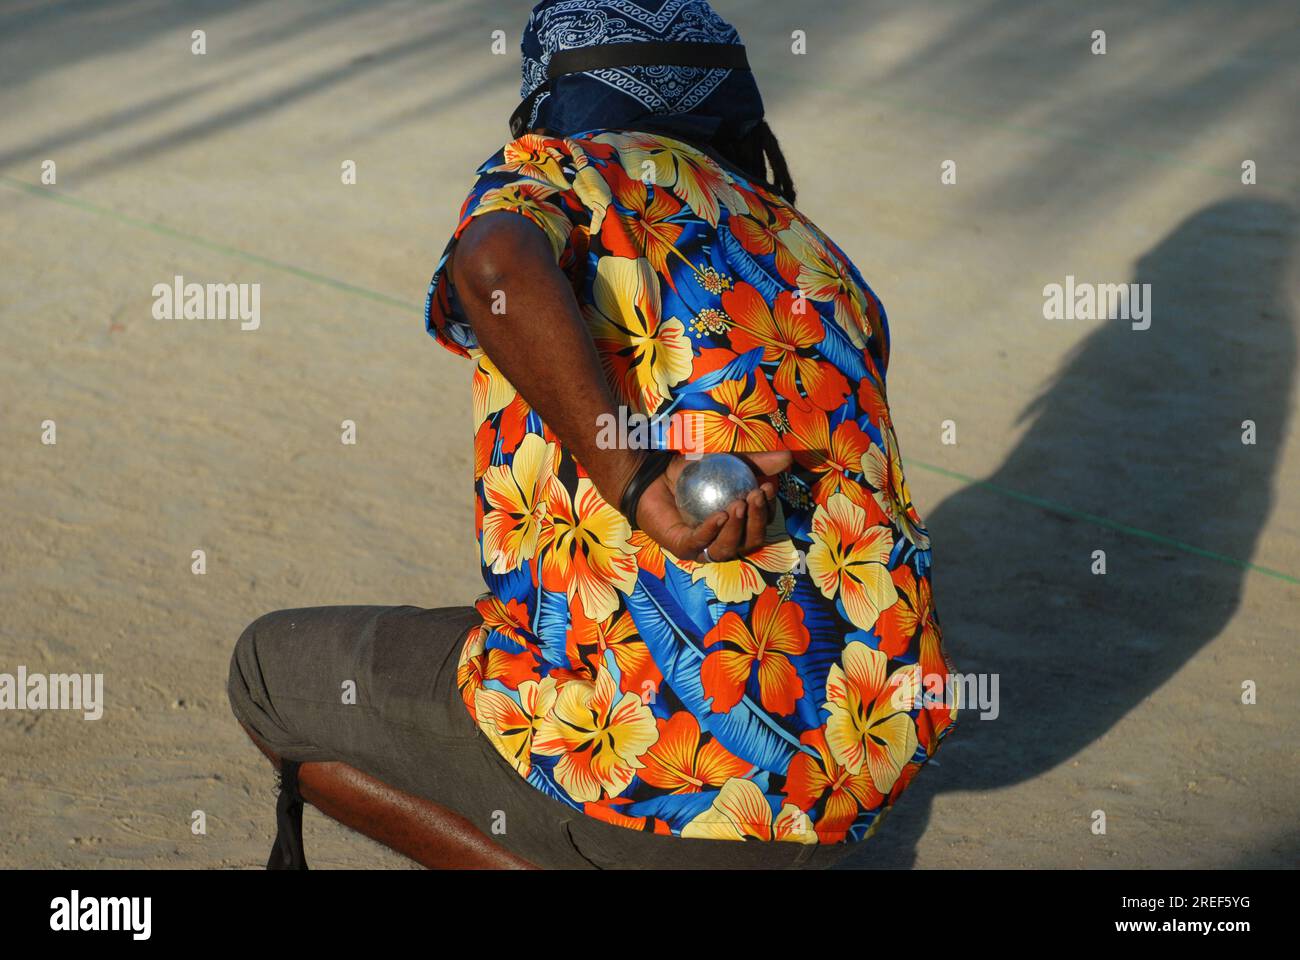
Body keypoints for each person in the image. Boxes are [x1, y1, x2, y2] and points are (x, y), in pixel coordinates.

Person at [228, 0, 959, 870]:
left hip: (658, 793)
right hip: (852, 788)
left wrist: (638, 477)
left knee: (267, 673)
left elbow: (494, 264)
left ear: (552, 96)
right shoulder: (812, 250)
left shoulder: (561, 174)